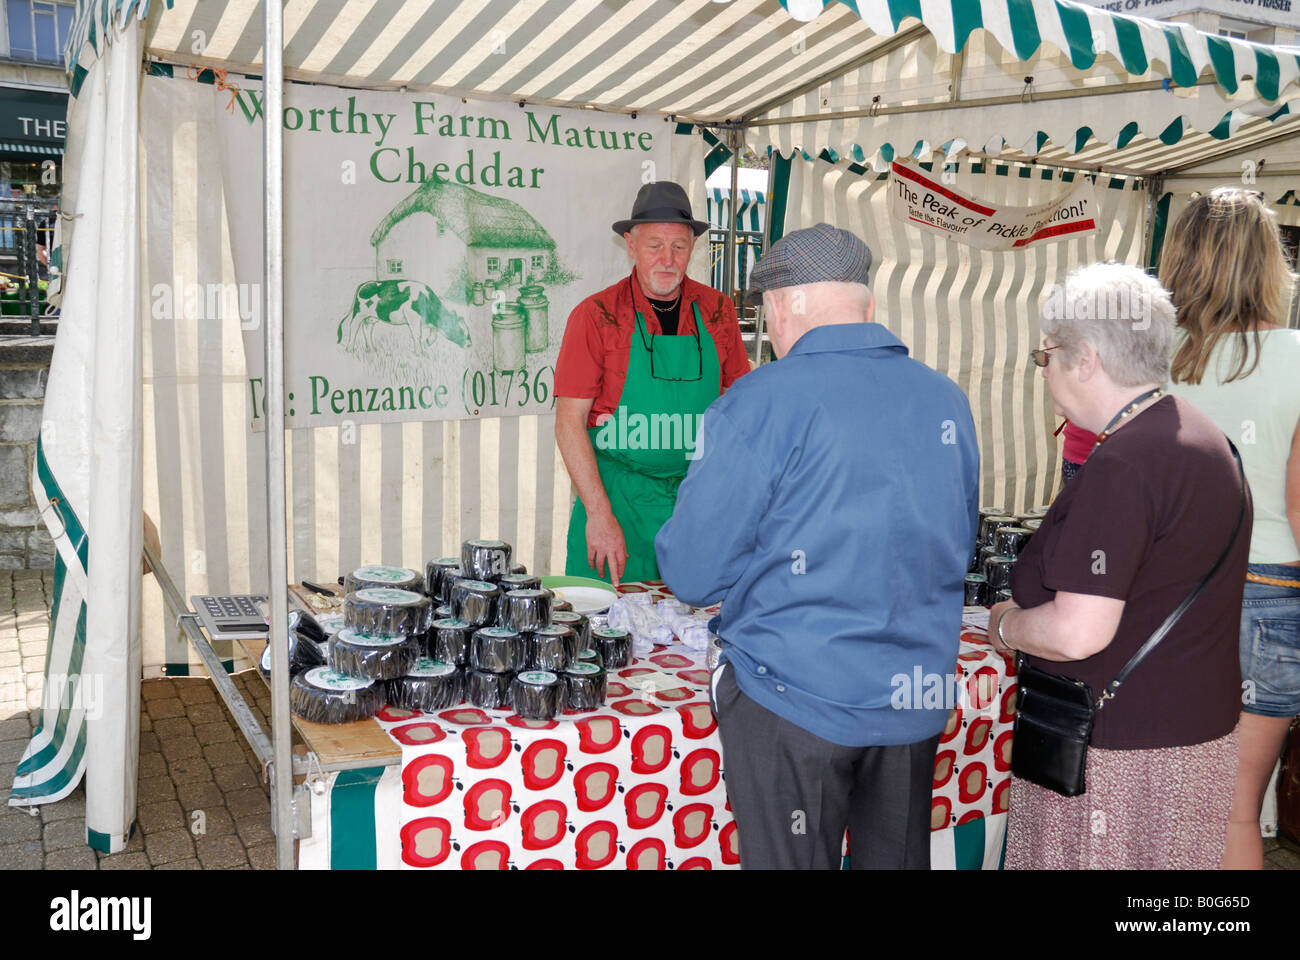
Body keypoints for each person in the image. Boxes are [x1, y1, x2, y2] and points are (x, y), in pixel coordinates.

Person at [655, 223, 980, 869]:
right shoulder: (945, 399)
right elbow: (955, 541)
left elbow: (692, 571)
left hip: (794, 696)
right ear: (867, 306)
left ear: (780, 306)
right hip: (911, 697)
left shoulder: (761, 401)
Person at [990, 262, 1251, 870]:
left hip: (1118, 756)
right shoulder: (1205, 437)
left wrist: (1002, 624)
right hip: (1193, 742)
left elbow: (1078, 631)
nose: (1045, 370)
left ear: (1085, 359)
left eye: (1045, 355)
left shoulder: (1125, 464)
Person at [1159, 188, 1300, 870]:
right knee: (1237, 806)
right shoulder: (1298, 357)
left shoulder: (1152, 359)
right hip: (1271, 593)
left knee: (1165, 800)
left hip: (1163, 598)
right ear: (1271, 266)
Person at [554, 180, 749, 586]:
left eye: (678, 246)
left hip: (694, 502)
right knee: (606, 630)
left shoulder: (718, 311)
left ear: (692, 248)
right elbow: (570, 422)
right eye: (654, 245)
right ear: (630, 244)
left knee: (693, 624)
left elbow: (739, 406)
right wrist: (598, 514)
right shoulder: (596, 316)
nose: (667, 259)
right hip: (618, 501)